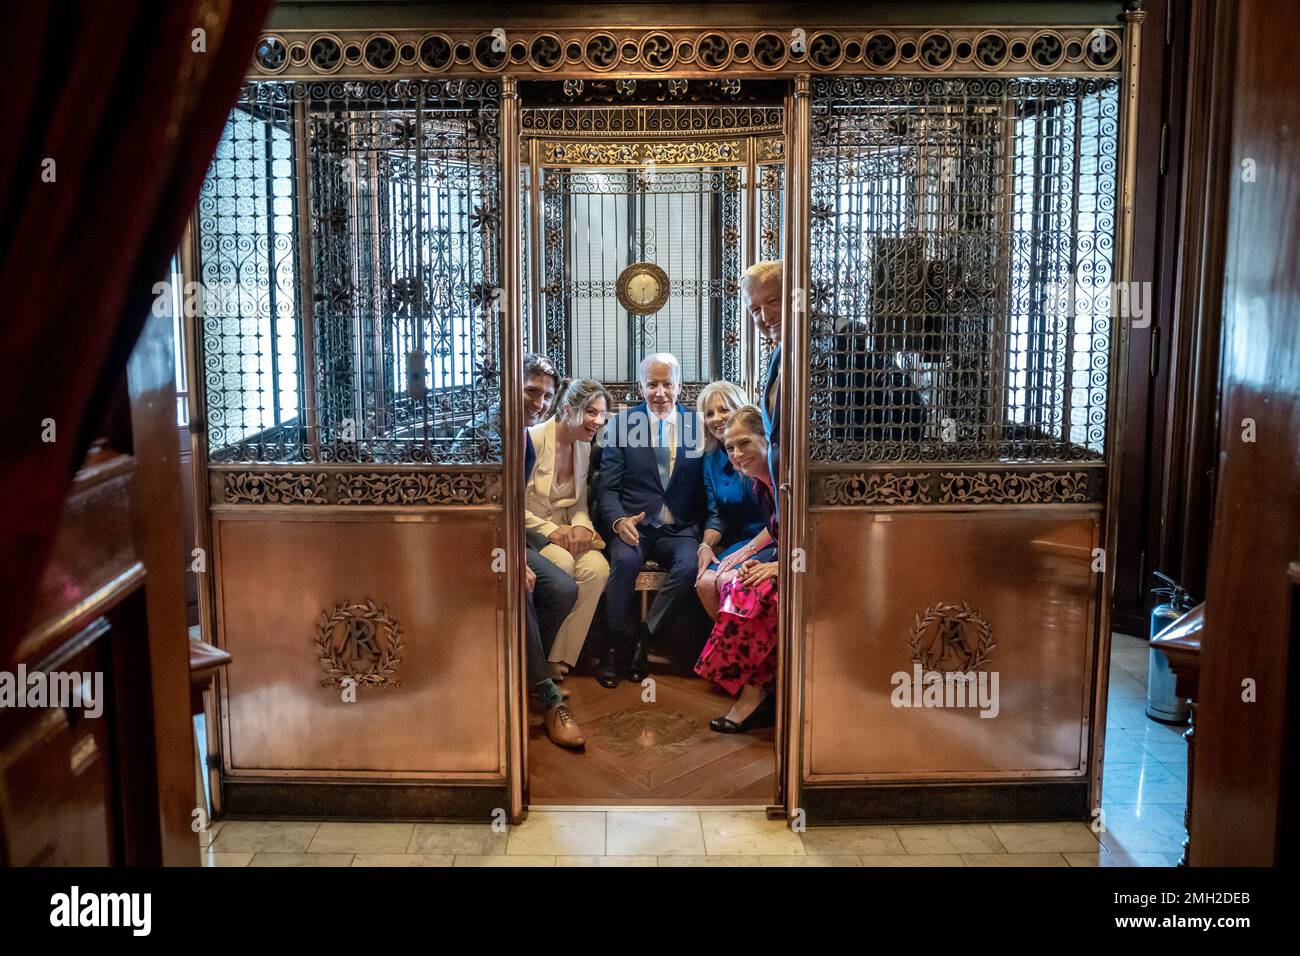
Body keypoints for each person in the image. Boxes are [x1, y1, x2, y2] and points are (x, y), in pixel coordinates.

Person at [595, 353, 707, 688]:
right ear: (640, 387)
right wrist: (618, 522)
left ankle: (643, 638)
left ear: (680, 386)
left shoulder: (699, 427)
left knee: (690, 567)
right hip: (635, 527)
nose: (660, 392)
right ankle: (614, 646)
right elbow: (607, 488)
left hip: (680, 528)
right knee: (624, 563)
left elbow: (709, 484)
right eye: (652, 384)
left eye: (667, 384)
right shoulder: (621, 425)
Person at [694, 406, 779, 733]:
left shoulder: (786, 478)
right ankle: (757, 686)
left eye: (745, 443)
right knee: (738, 583)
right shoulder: (761, 483)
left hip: (816, 567)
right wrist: (756, 558)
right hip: (781, 558)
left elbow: (825, 540)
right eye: (730, 447)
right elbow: (776, 529)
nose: (737, 454)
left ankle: (751, 694)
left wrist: (779, 568)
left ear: (767, 439)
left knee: (752, 594)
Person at [524, 379, 612, 674]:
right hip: (531, 533)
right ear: (566, 409)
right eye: (591, 412)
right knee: (562, 563)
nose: (598, 421)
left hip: (566, 529)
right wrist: (550, 532)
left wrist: (582, 527)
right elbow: (511, 504)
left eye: (602, 414)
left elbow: (579, 504)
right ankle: (539, 656)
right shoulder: (533, 440)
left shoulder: (584, 448)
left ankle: (559, 656)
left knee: (597, 569)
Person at [693, 381, 768, 619]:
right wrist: (705, 546)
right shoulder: (710, 459)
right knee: (704, 582)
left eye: (724, 409)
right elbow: (717, 515)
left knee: (728, 579)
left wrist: (748, 550)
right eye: (709, 413)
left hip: (773, 537)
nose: (717, 418)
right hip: (740, 540)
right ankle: (725, 646)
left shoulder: (764, 451)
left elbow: (780, 515)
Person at [525, 564, 583, 748]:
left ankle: (530, 676)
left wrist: (515, 555)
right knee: (519, 588)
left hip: (512, 546)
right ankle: (546, 694)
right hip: (476, 551)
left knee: (563, 589)